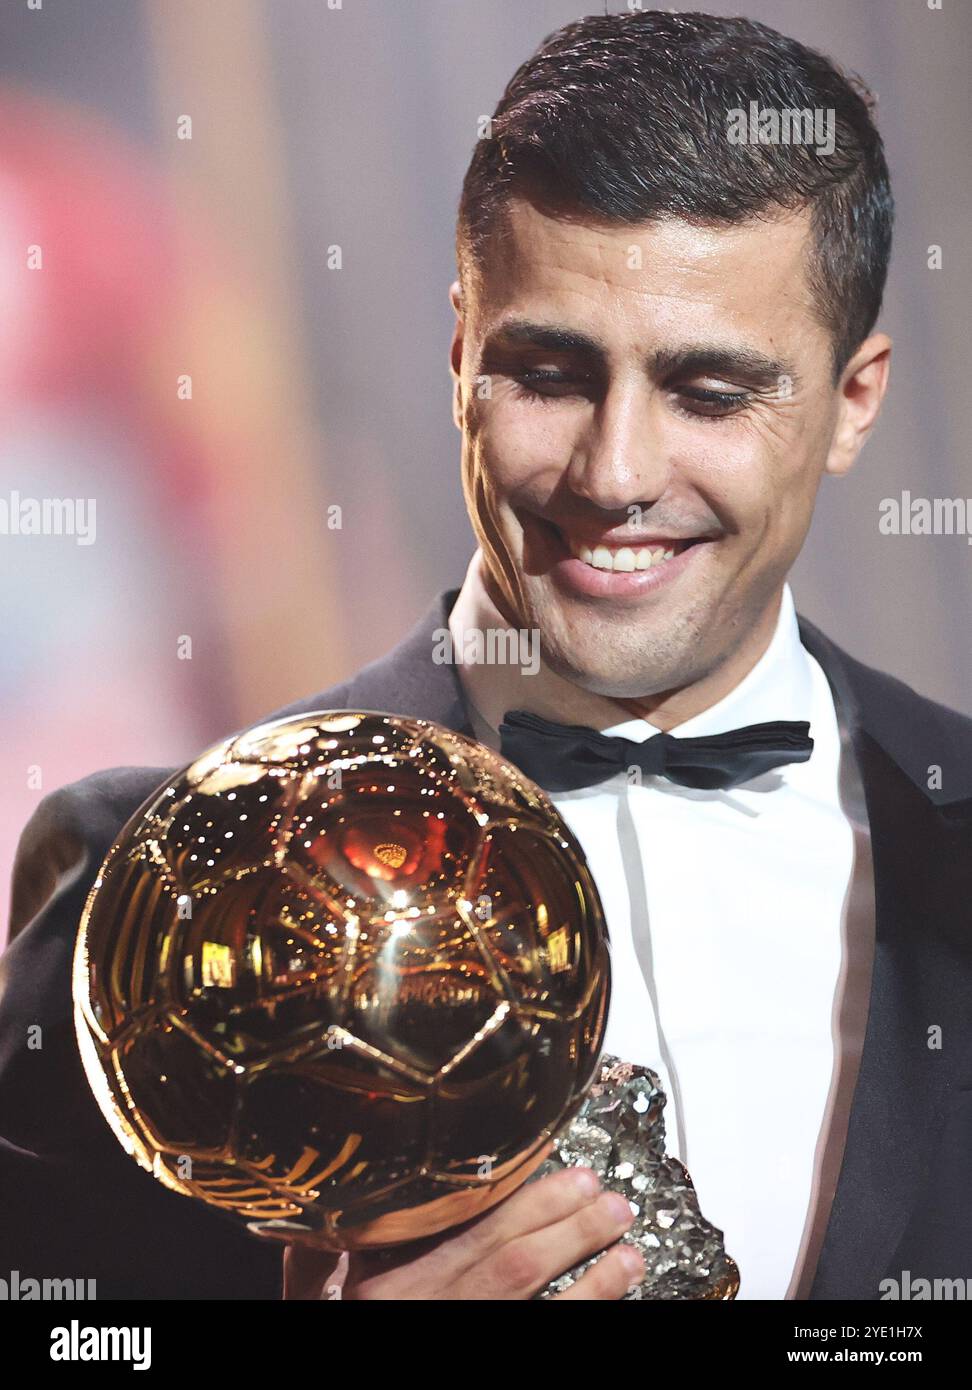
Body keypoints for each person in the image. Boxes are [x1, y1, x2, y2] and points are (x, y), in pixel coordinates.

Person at [2, 9, 970, 1302]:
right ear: (462, 354)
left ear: (855, 401)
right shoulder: (143, 884)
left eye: (710, 392)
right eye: (551, 373)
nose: (615, 473)